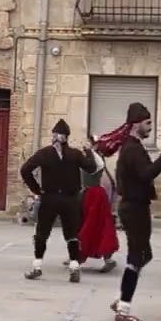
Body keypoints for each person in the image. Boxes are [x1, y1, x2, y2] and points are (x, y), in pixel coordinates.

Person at [92, 103, 161, 321]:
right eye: (148, 122)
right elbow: (147, 173)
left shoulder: (134, 146)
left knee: (144, 255)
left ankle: (123, 295)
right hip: (133, 208)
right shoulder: (131, 149)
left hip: (137, 207)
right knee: (136, 257)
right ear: (136, 124)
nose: (151, 126)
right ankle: (123, 307)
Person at [18, 119, 101, 283]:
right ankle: (74, 266)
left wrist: (37, 189)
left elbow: (25, 169)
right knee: (72, 234)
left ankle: (37, 266)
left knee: (42, 232)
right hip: (70, 199)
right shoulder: (75, 154)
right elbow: (92, 168)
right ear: (67, 137)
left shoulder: (44, 153)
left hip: (49, 198)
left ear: (53, 136)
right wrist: (89, 151)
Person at [73, 133, 119, 273]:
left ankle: (104, 259)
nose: (86, 144)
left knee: (95, 226)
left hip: (94, 196)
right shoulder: (90, 156)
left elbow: (92, 167)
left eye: (89, 142)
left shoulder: (96, 158)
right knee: (84, 225)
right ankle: (77, 256)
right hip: (88, 194)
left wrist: (88, 151)